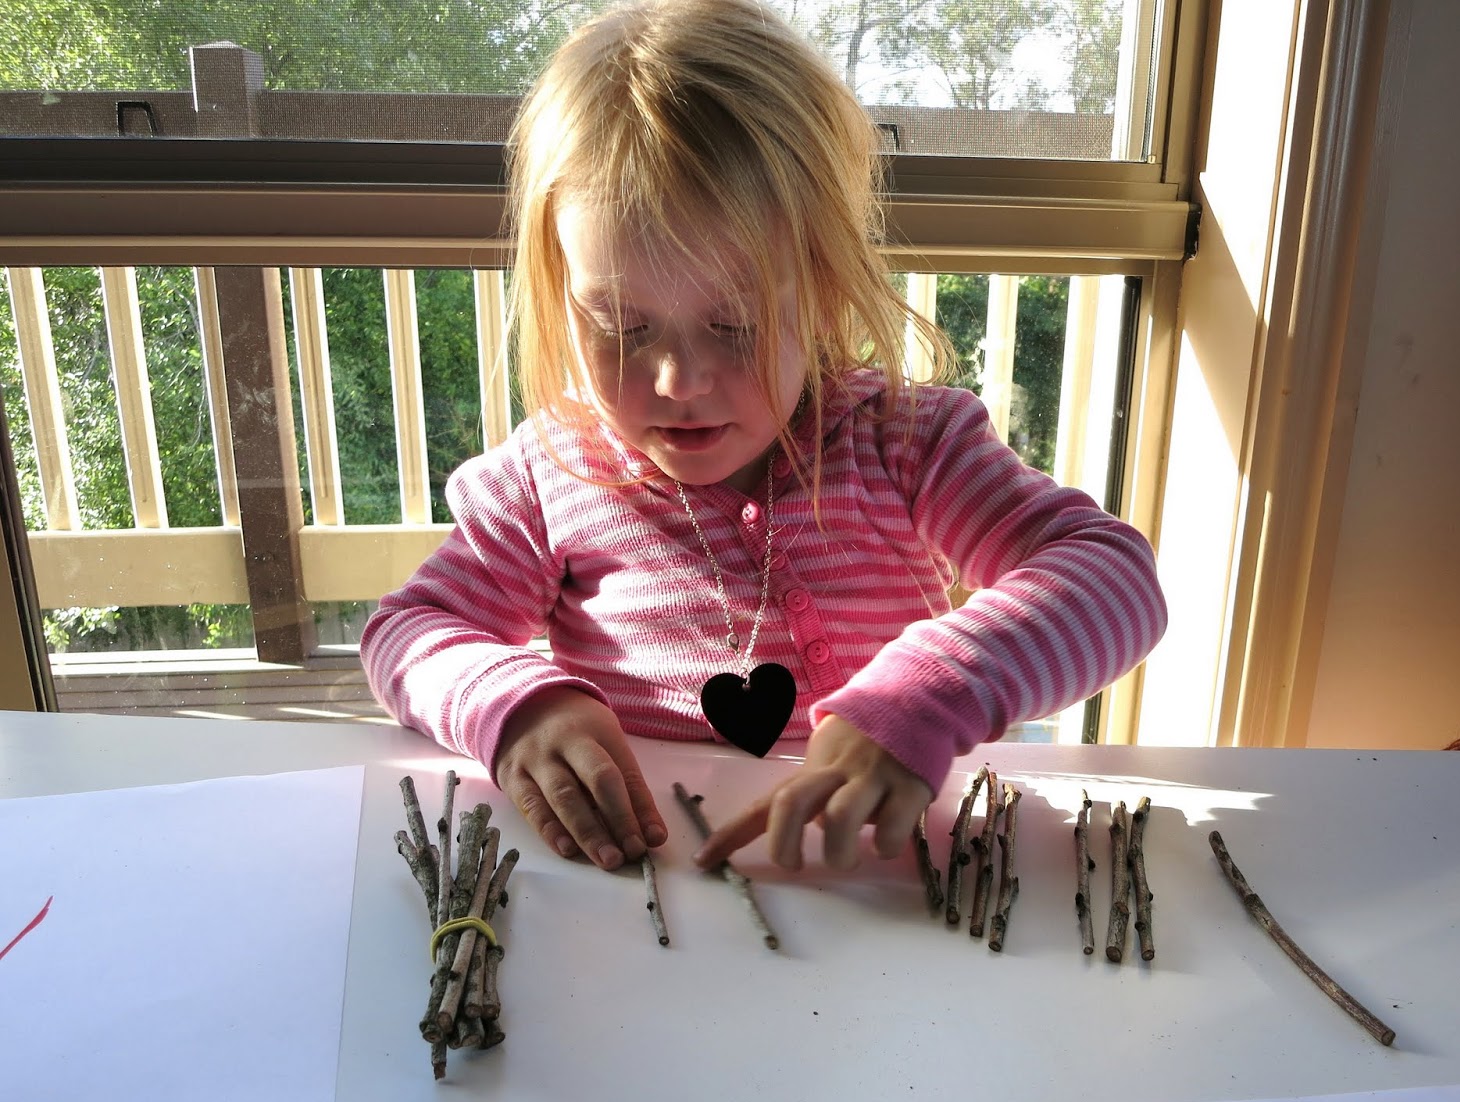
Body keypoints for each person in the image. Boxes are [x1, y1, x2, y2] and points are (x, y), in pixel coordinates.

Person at [360, 0, 1168, 874]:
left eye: (735, 324)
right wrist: (518, 707)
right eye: (621, 326)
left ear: (822, 289)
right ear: (561, 297)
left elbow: (1112, 575)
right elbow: (407, 633)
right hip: (641, 907)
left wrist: (929, 695)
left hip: (884, 896)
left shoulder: (908, 443)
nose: (678, 381)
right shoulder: (549, 475)